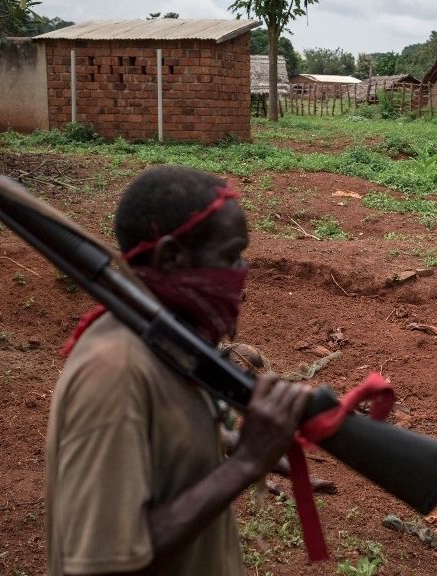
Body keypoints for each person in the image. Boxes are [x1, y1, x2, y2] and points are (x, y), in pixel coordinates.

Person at [45, 166, 310, 576]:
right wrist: (246, 464)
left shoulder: (167, 342)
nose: (241, 272)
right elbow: (104, 564)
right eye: (230, 255)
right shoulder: (114, 371)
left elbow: (159, 434)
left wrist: (227, 440)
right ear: (170, 257)